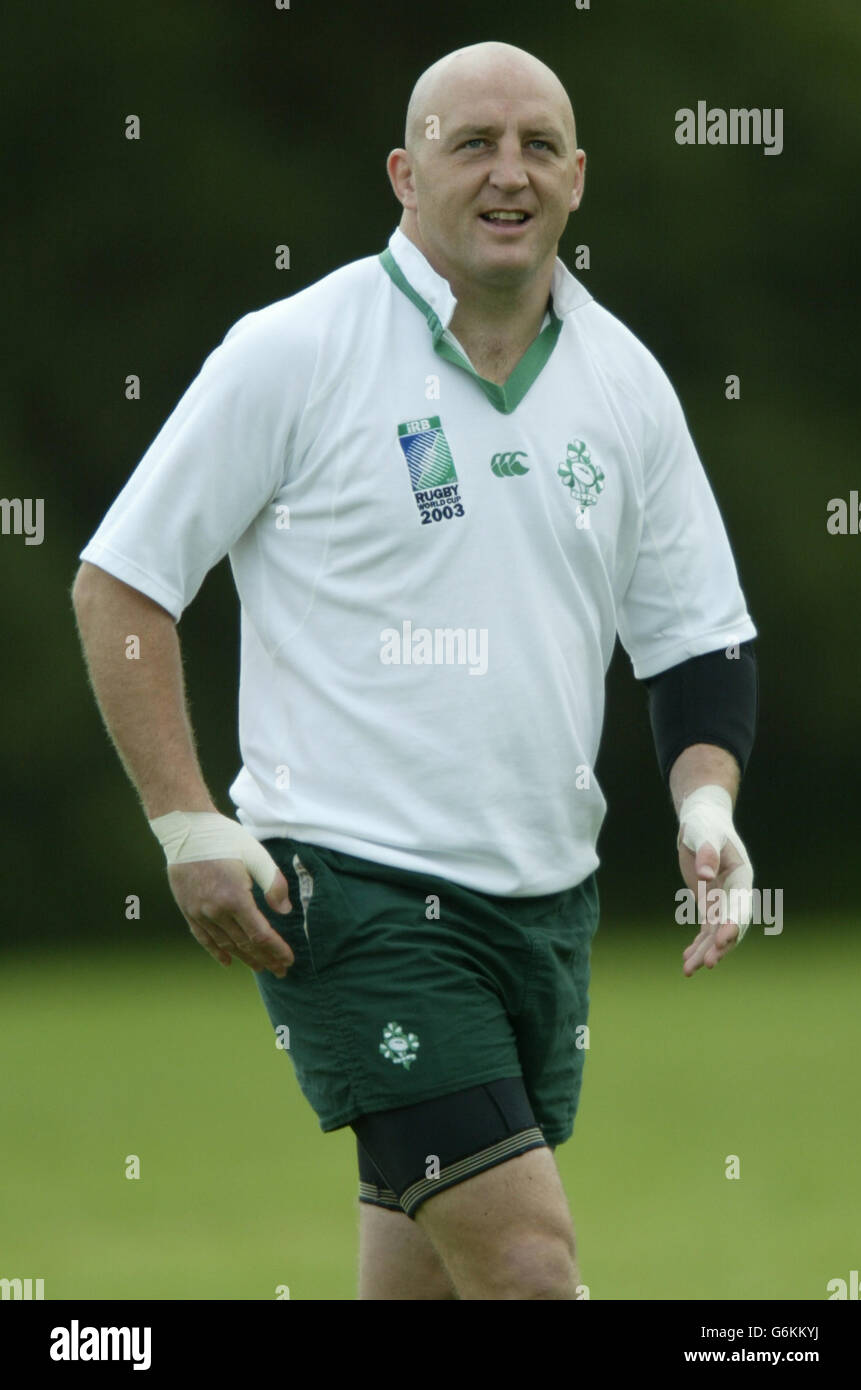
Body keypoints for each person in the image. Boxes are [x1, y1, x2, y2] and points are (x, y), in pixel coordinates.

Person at [72, 40, 758, 1300]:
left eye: (538, 146)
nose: (509, 173)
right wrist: (185, 823)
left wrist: (703, 805)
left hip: (548, 909)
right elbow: (121, 583)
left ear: (577, 178)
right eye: (471, 144)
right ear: (403, 173)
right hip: (356, 897)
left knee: (424, 1290)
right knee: (529, 1269)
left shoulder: (625, 380)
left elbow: (697, 639)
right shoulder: (296, 348)